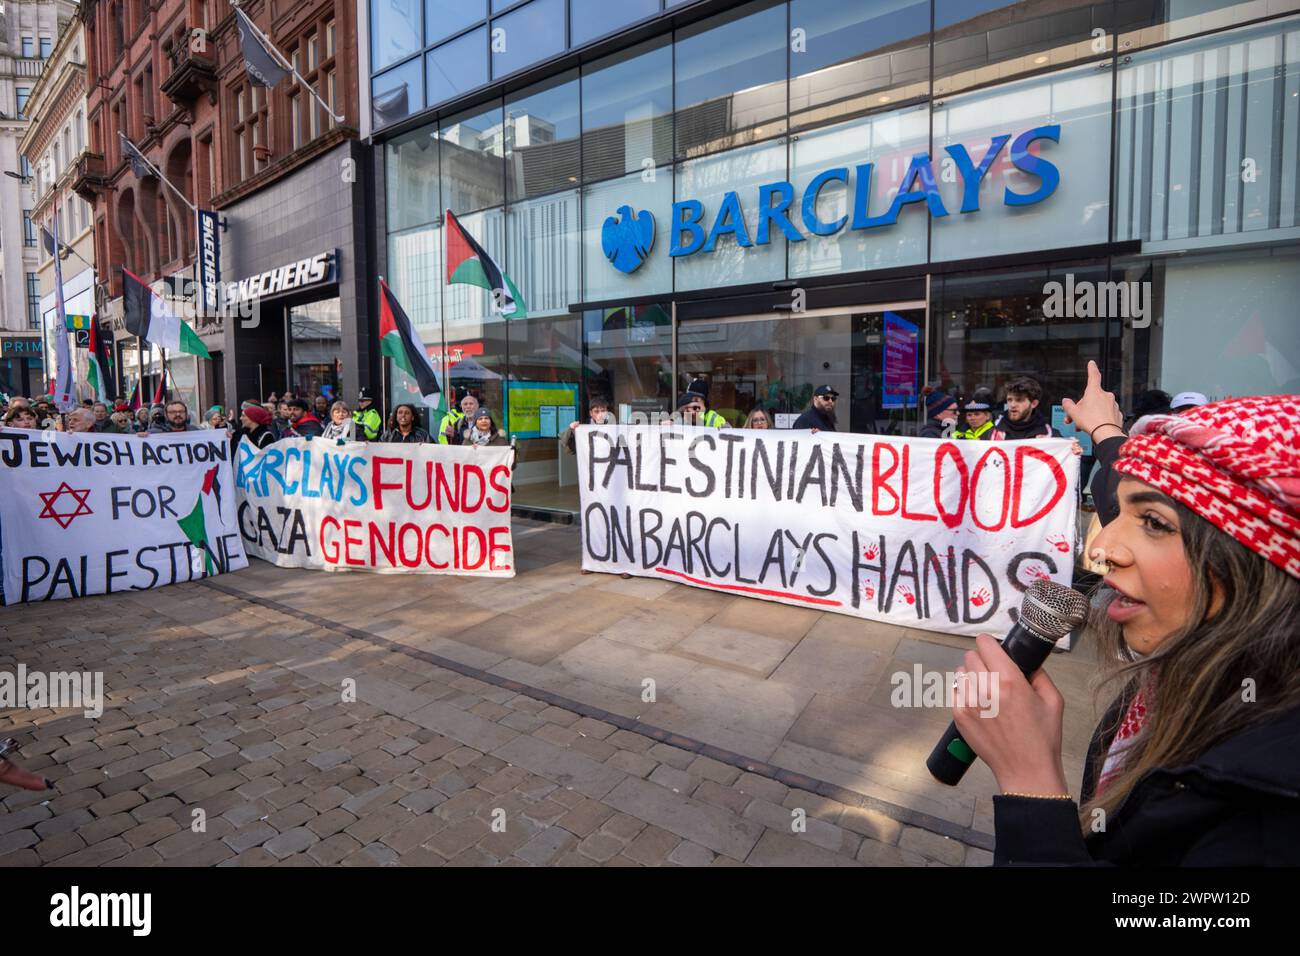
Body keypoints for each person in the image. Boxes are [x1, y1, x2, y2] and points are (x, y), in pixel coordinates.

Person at [953, 393, 1300, 865]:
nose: (1102, 549)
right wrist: (1104, 431)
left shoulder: (1266, 821)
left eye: (1152, 521)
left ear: (1259, 568)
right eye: (1122, 513)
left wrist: (1032, 790)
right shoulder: (1188, 677)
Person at [990, 376, 1060, 440]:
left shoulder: (1052, 435)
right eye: (1009, 400)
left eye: (1019, 400)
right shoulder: (991, 434)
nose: (1012, 405)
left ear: (1034, 404)